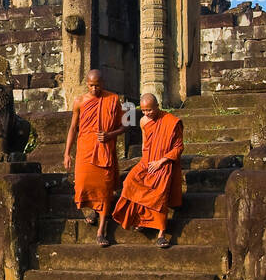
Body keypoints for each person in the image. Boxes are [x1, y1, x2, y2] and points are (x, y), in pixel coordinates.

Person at [112, 93, 184, 248]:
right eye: (143, 110)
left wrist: (161, 161)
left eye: (149, 110)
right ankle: (138, 219)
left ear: (157, 107)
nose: (146, 113)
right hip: (148, 161)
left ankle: (161, 234)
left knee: (159, 194)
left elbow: (178, 147)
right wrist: (145, 163)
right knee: (130, 181)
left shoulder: (171, 122)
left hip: (164, 163)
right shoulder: (143, 121)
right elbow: (146, 145)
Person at [63, 69, 126, 246]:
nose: (94, 89)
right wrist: (67, 153)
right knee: (83, 184)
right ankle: (94, 209)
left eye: (97, 85)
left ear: (103, 84)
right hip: (85, 150)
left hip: (105, 149)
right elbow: (73, 128)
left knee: (105, 190)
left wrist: (109, 135)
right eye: (90, 85)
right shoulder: (80, 101)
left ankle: (101, 232)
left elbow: (124, 127)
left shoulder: (113, 99)